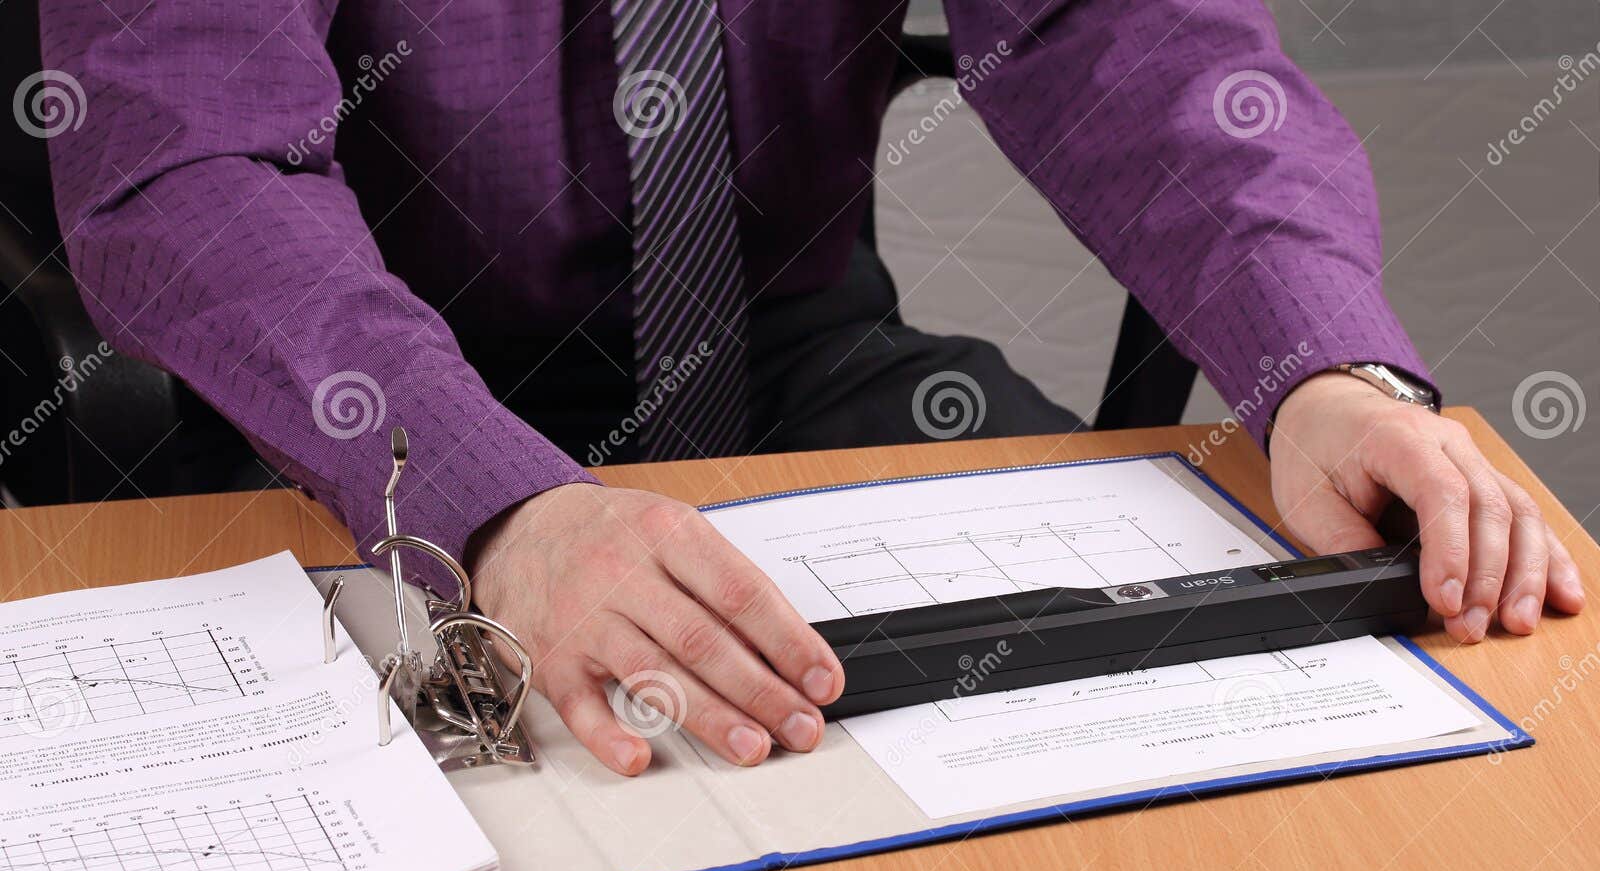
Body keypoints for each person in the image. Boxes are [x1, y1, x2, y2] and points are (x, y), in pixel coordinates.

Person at [41, 1, 1583, 776]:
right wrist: (490, 497)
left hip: (793, 361)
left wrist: (1322, 362)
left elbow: (1110, 25)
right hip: (353, 423)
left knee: (1223, 764)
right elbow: (191, 161)